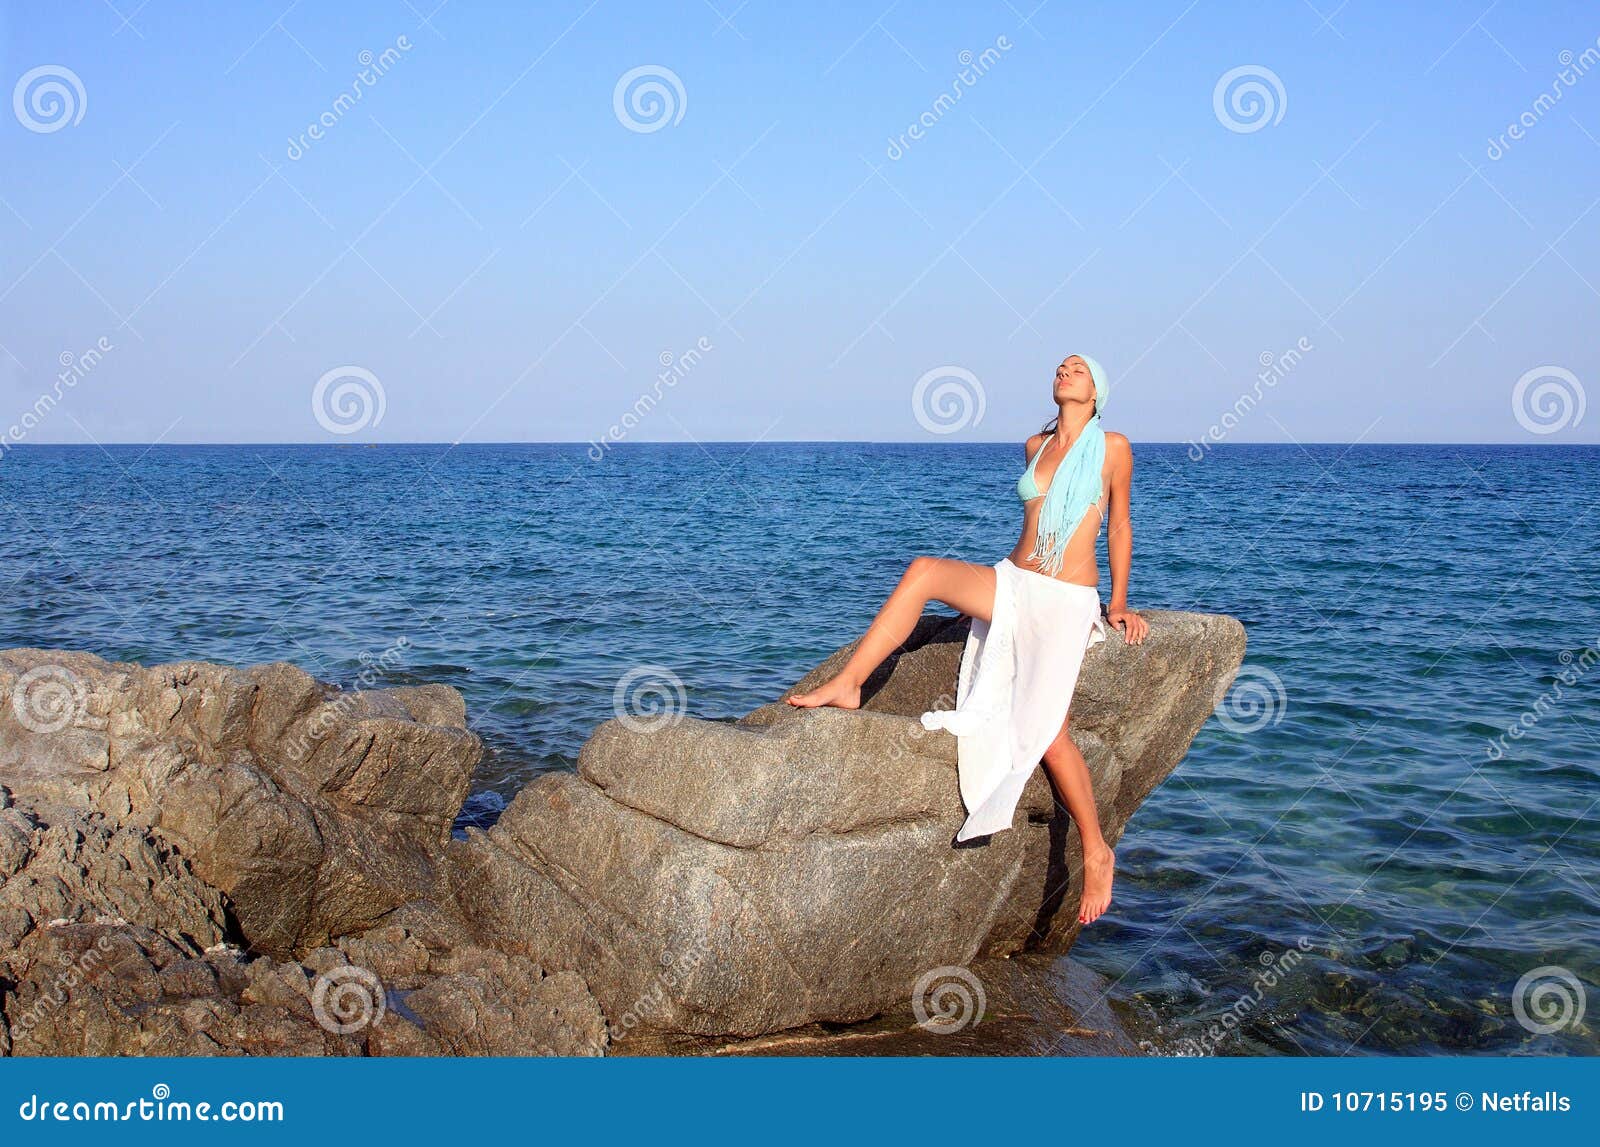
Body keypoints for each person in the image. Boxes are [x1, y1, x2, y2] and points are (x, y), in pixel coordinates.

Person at [787, 354, 1148, 924]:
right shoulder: (1035, 446)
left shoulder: (1114, 447)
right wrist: (986, 600)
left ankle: (1096, 848)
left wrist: (1120, 603)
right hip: (1014, 579)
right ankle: (850, 683)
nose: (1064, 371)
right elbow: (1029, 531)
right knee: (924, 571)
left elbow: (1121, 524)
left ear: (1097, 390)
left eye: (1077, 368)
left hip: (1063, 599)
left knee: (1049, 734)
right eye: (1059, 366)